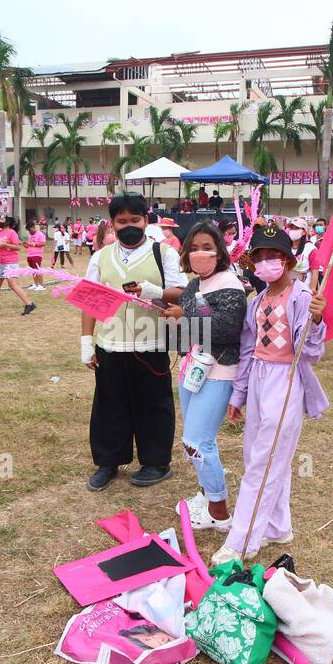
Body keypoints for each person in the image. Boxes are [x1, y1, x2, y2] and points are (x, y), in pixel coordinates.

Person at [213, 222, 328, 565]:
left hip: (286, 380)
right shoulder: (257, 299)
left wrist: (318, 322)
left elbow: (311, 352)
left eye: (274, 256)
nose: (266, 263)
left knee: (265, 461)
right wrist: (239, 395)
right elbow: (248, 349)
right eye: (259, 258)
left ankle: (242, 540)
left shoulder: (303, 296)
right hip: (260, 381)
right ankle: (277, 526)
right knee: (258, 457)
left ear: (289, 260)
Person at [81, 192, 187, 491]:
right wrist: (86, 341)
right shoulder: (100, 257)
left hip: (150, 345)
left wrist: (154, 291)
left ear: (146, 220)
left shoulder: (163, 253)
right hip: (110, 345)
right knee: (109, 404)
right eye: (122, 221)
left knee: (154, 404)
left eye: (135, 220)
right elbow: (90, 302)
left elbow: (181, 292)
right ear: (112, 224)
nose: (129, 226)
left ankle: (156, 463)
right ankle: (108, 462)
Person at [172, 222, 247, 532]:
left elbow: (226, 330)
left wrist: (183, 316)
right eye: (194, 247)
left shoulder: (230, 284)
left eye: (207, 247)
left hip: (218, 372)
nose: (199, 253)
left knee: (197, 442)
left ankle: (219, 512)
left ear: (219, 252)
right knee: (196, 438)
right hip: (192, 369)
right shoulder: (195, 284)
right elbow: (186, 311)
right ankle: (204, 496)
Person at [0, 216, 35, 315]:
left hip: (10, 262)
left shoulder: (12, 233)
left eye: (2, 219)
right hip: (0, 261)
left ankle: (29, 304)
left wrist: (5, 245)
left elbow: (17, 247)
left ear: (8, 222)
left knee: (12, 285)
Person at [25, 219, 47, 291]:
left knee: (37, 270)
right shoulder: (29, 235)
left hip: (37, 255)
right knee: (32, 270)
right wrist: (24, 244)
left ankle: (41, 285)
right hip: (30, 254)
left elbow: (43, 243)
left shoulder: (40, 234)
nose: (29, 231)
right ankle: (36, 284)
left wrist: (33, 244)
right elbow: (29, 245)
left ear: (33, 227)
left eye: (29, 229)